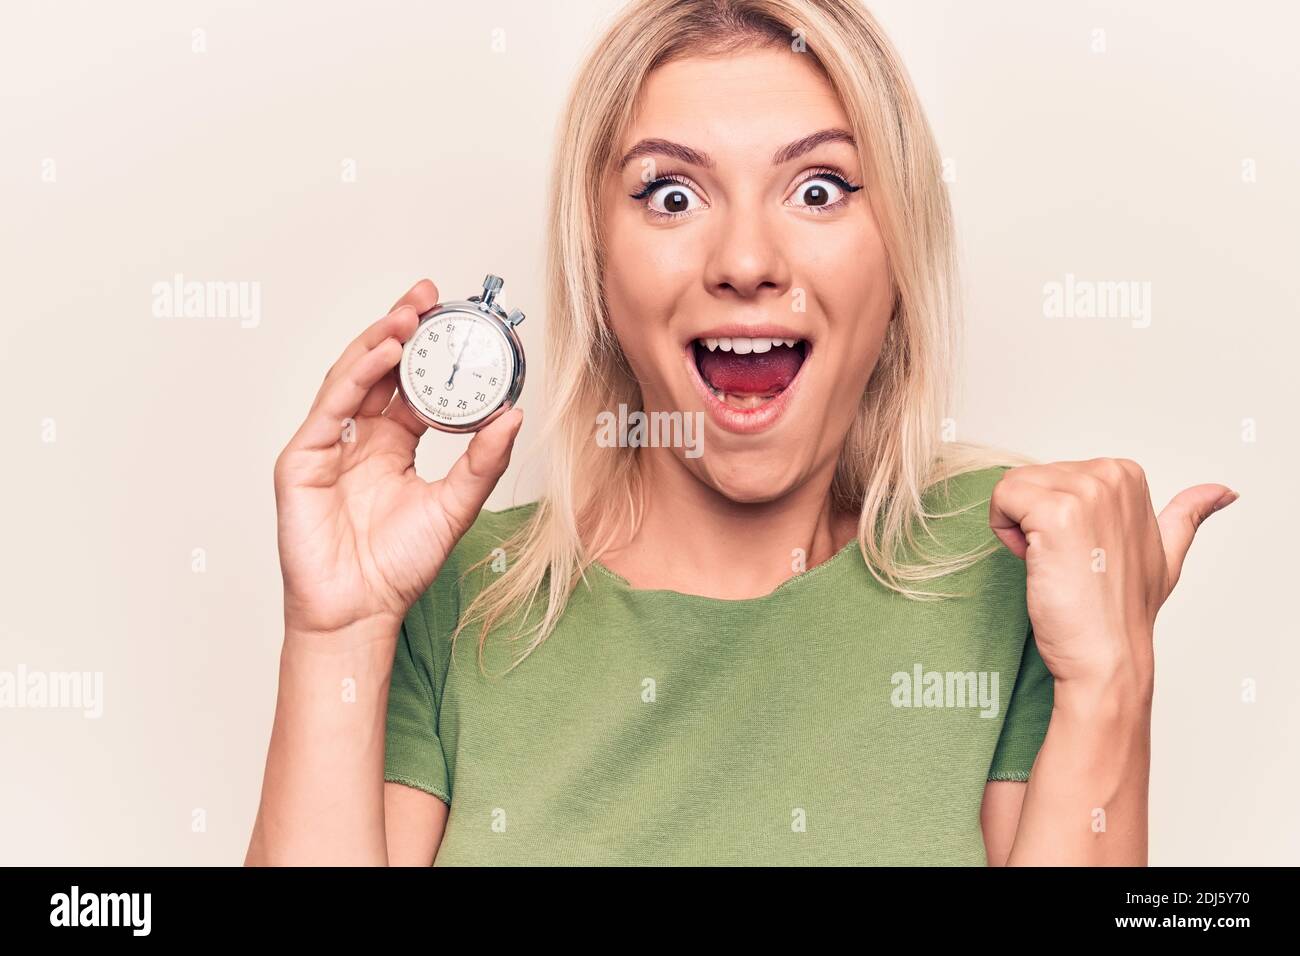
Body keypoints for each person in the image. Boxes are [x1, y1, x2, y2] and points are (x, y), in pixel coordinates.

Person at [244, 0, 1237, 866]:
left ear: (896, 256)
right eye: (670, 194)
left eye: (817, 189)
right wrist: (337, 633)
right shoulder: (454, 593)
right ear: (597, 270)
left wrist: (1111, 674)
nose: (748, 258)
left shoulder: (1012, 566)